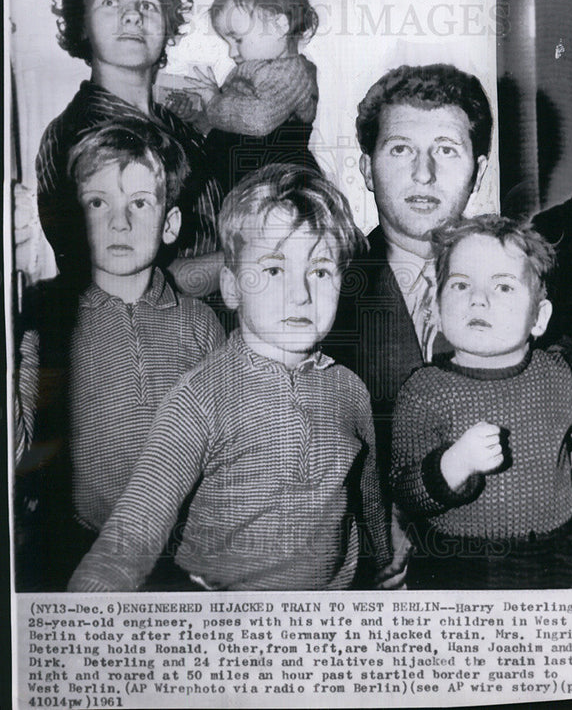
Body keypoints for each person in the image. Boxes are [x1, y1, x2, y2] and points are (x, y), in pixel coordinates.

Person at [68, 164, 396, 592]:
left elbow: (367, 493)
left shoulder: (350, 390)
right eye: (275, 269)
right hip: (227, 626)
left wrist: (384, 560)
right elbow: (130, 537)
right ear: (233, 286)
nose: (301, 294)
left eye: (320, 271)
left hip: (329, 621)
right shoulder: (199, 399)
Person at [15, 118, 225, 590]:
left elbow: (227, 444)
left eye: (139, 203)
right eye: (98, 202)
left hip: (186, 560)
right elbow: (20, 453)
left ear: (170, 223)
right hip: (83, 550)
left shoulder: (199, 324)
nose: (119, 222)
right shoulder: (51, 326)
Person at [390, 215, 572, 590]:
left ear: (539, 317)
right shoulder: (424, 389)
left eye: (502, 287)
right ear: (435, 309)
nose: (478, 299)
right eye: (461, 284)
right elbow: (405, 490)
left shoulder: (555, 371)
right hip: (461, 560)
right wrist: (455, 464)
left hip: (557, 547)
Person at [325, 64, 492, 479]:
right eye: (400, 149)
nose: (424, 173)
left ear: (480, 172)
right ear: (366, 170)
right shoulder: (324, 297)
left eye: (446, 150)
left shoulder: (524, 285)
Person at [34, 0, 222, 290]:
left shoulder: (172, 121)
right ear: (82, 22)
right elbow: (119, 286)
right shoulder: (76, 133)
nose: (133, 15)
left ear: (167, 23)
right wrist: (249, 260)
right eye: (110, 2)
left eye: (148, 4)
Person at [166, 0, 321, 195]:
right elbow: (234, 124)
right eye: (228, 43)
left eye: (237, 40)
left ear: (279, 26)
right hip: (241, 178)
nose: (231, 52)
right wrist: (201, 119)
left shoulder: (292, 73)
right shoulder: (255, 68)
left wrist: (213, 102)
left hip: (275, 185)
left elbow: (258, 120)